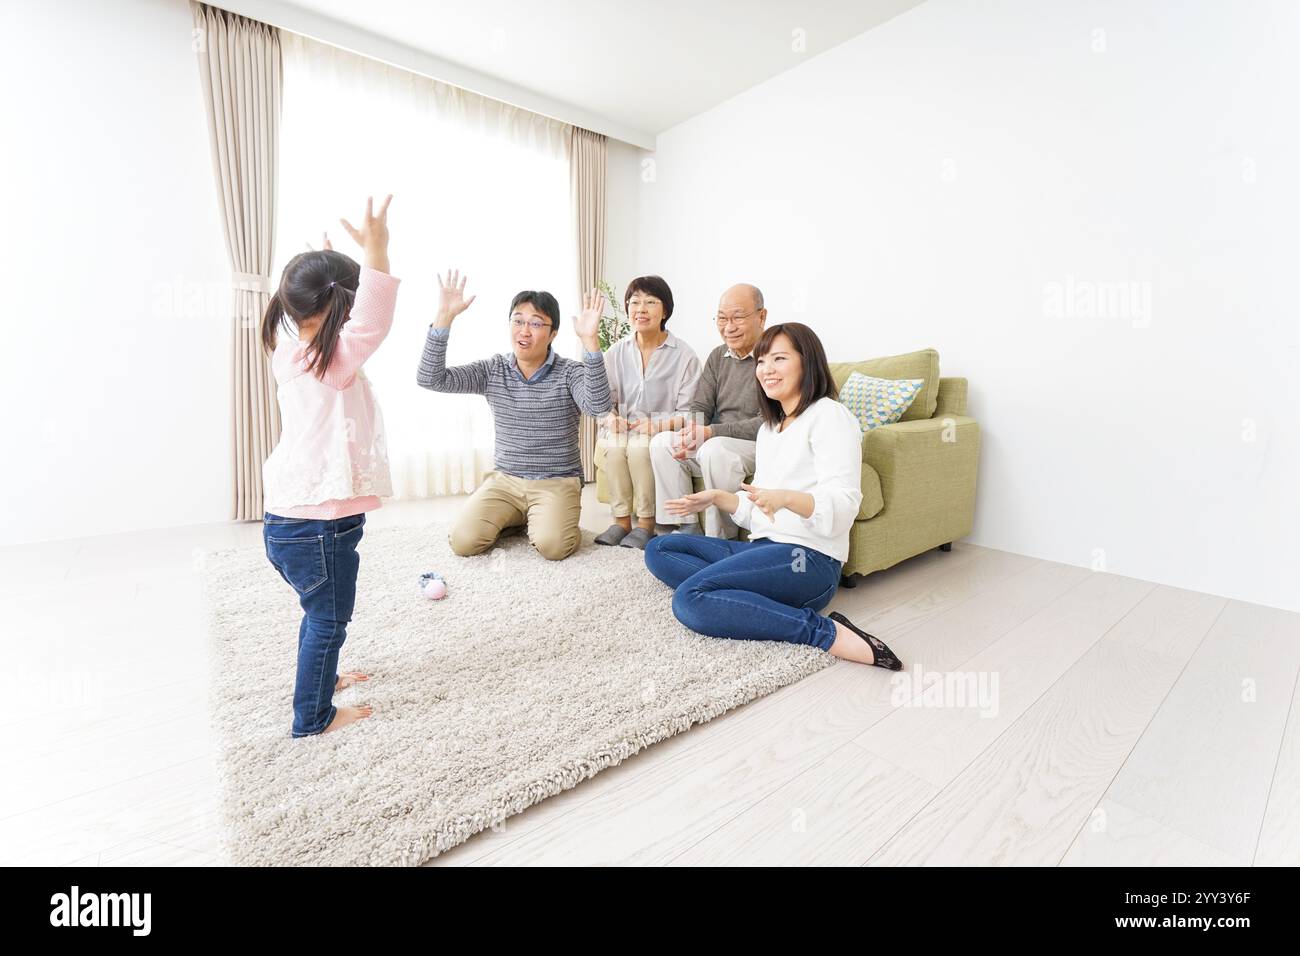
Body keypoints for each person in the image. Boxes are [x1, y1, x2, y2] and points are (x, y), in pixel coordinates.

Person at [644, 322, 903, 669]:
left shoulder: (830, 416)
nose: (767, 370)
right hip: (764, 546)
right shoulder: (770, 428)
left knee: (690, 599)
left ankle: (826, 633)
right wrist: (719, 498)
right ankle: (744, 592)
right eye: (762, 362)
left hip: (808, 559)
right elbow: (758, 510)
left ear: (807, 363)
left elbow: (843, 507)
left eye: (779, 359)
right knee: (659, 549)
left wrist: (787, 498)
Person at [260, 195, 399, 736]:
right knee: (327, 620)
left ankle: (323, 679)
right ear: (341, 312)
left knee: (318, 613)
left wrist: (328, 267)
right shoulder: (335, 361)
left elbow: (330, 310)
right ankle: (313, 716)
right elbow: (375, 317)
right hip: (320, 525)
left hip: (287, 521)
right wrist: (377, 251)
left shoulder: (289, 348)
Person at [416, 274, 611, 560]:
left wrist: (591, 343)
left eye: (535, 323)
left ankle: (539, 517)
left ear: (553, 333)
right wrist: (443, 320)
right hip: (505, 481)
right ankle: (519, 516)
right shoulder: (493, 370)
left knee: (554, 547)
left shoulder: (570, 372)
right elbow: (431, 379)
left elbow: (598, 408)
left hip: (555, 481)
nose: (524, 330)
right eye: (518, 321)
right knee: (463, 541)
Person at [649, 283, 766, 539]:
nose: (729, 327)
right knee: (662, 443)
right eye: (722, 318)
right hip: (716, 439)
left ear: (761, 316)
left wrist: (710, 431)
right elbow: (700, 406)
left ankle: (720, 539)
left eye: (737, 317)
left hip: (754, 443)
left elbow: (767, 424)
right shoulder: (717, 356)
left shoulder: (773, 357)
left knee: (715, 449)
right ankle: (684, 528)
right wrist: (692, 431)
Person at [594, 275, 701, 550]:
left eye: (650, 302)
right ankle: (621, 522)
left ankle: (645, 525)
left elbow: (691, 412)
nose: (641, 309)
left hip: (664, 430)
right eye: (634, 302)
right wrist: (610, 418)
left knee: (641, 449)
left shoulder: (684, 355)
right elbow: (601, 402)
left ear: (665, 310)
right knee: (615, 447)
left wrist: (658, 426)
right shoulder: (616, 352)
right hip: (624, 427)